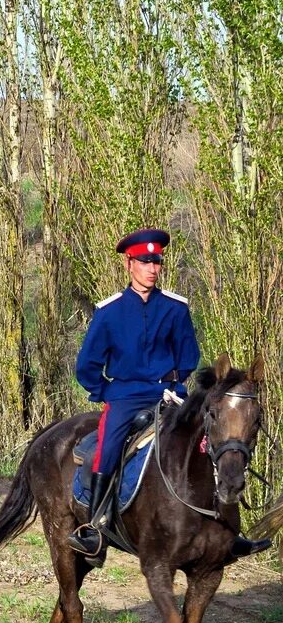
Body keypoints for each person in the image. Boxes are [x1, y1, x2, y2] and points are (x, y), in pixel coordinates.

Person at [69, 228, 270, 560]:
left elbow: (188, 357)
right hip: (125, 397)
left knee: (212, 443)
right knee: (108, 446)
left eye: (156, 262)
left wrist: (175, 387)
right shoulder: (109, 312)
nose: (152, 268)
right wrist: (109, 392)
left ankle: (229, 530)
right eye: (144, 262)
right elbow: (87, 366)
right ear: (129, 264)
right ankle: (95, 525)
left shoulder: (176, 308)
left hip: (169, 395)